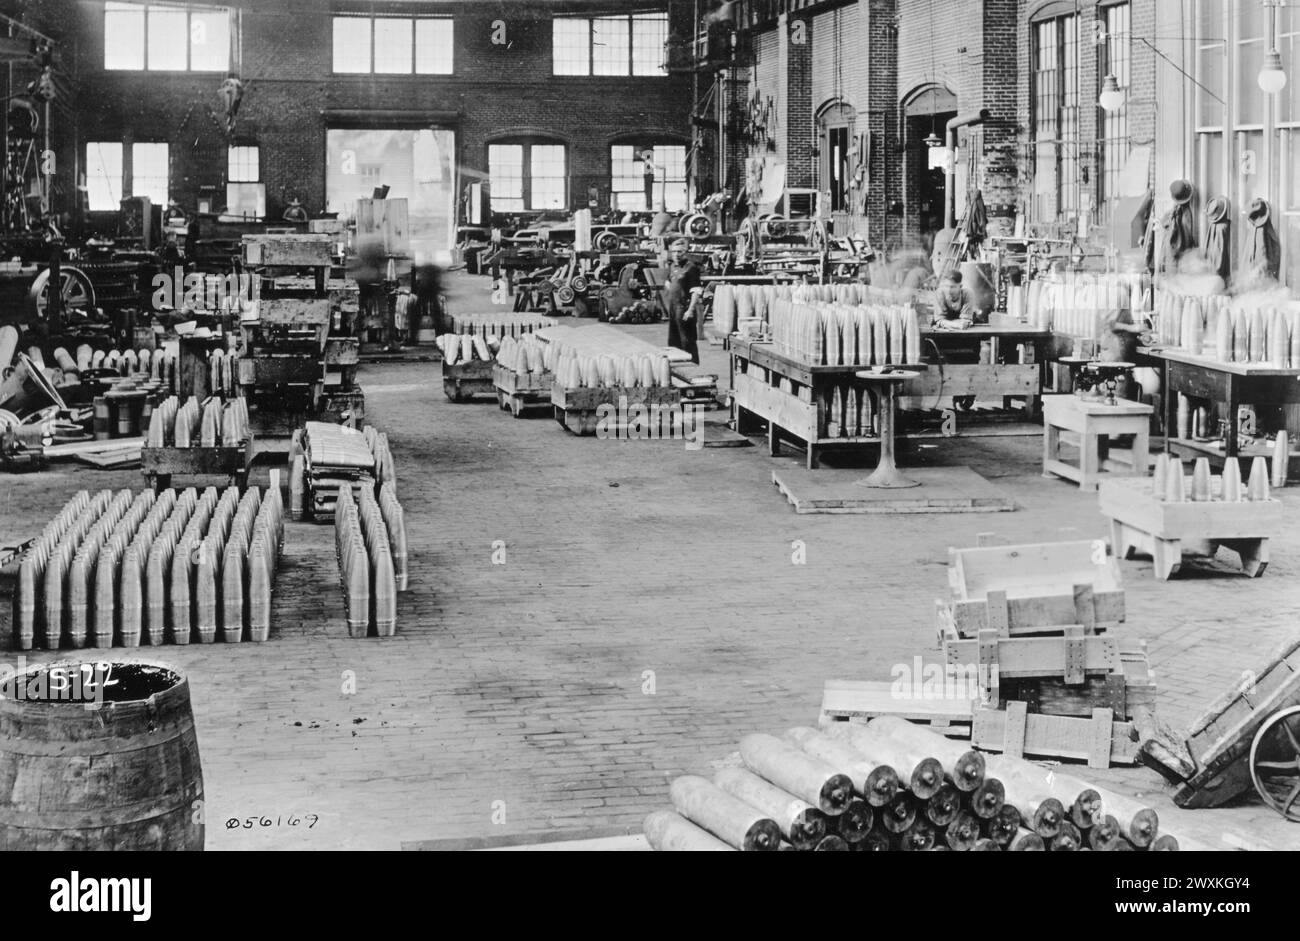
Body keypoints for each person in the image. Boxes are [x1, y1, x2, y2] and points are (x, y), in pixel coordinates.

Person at [663, 238, 702, 364]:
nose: (676, 255)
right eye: (674, 252)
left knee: (687, 341)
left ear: (685, 252)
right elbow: (668, 283)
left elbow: (696, 291)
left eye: (679, 252)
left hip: (684, 309)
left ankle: (692, 365)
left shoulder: (691, 268)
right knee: (673, 340)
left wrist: (690, 310)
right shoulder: (672, 266)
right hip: (673, 308)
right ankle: (678, 366)